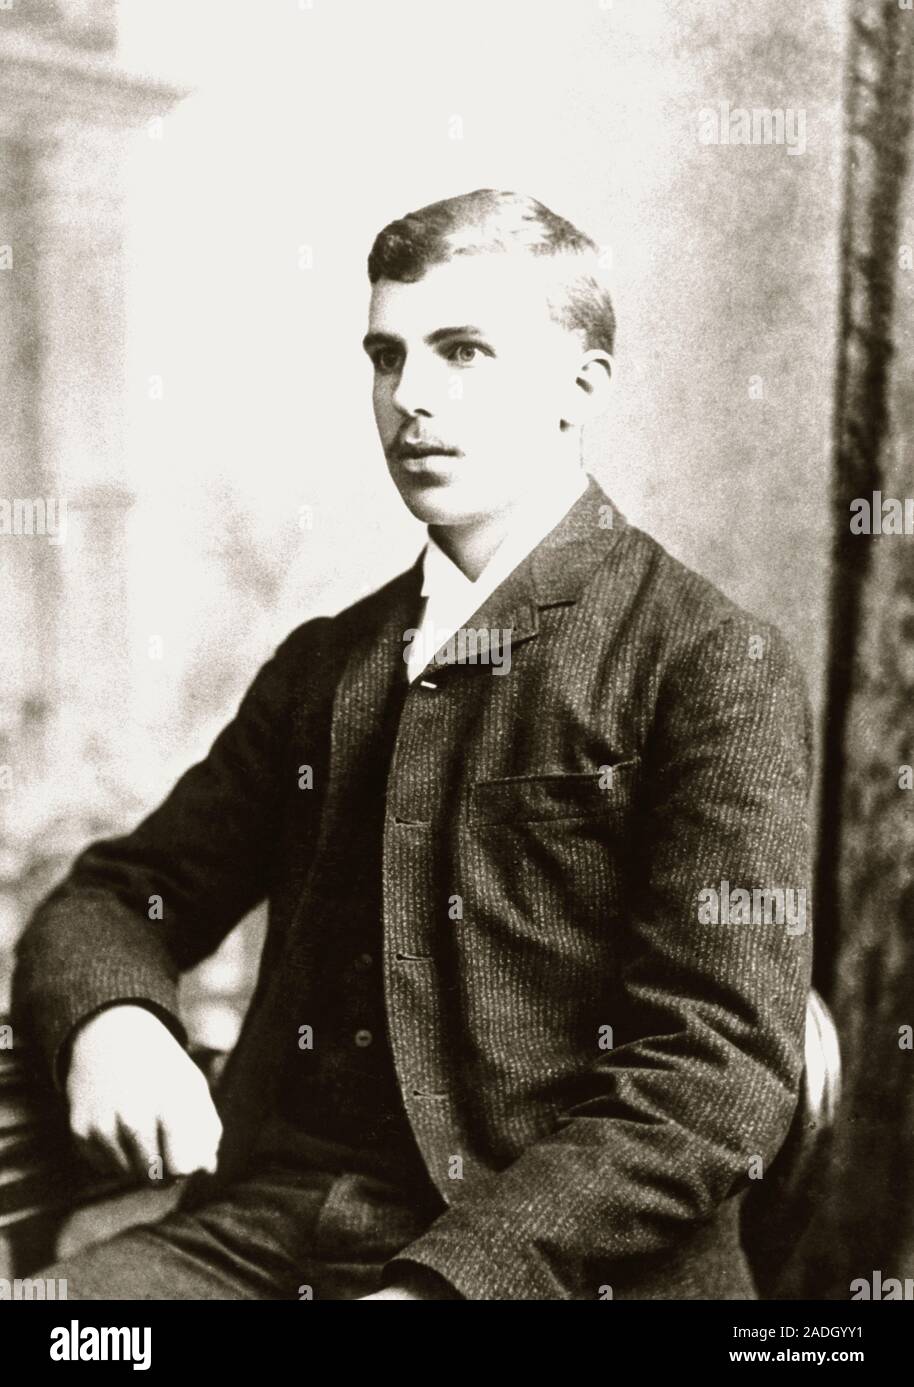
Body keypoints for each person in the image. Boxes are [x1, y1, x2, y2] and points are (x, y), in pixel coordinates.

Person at [12, 189, 814, 1300]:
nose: (411, 399)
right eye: (386, 357)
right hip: (269, 1235)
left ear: (581, 386)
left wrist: (449, 1283)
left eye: (463, 352)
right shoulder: (325, 665)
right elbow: (123, 891)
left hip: (555, 1268)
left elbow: (714, 1072)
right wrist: (112, 1016)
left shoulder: (708, 660)